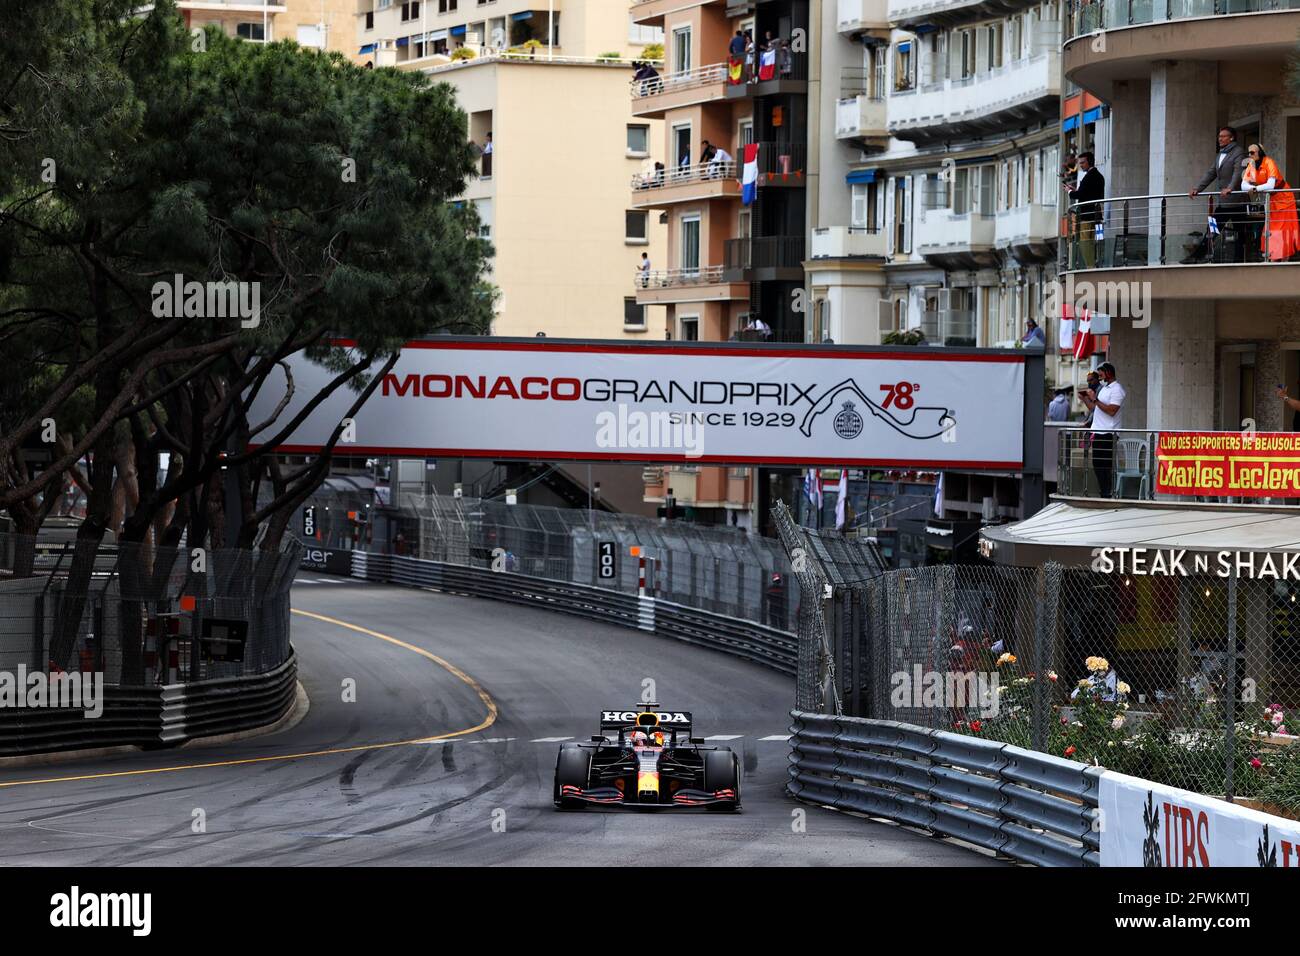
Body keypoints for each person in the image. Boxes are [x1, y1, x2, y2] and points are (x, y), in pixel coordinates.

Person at [1187, 126, 1247, 263]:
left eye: (1223, 136)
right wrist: (1197, 189)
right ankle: (1199, 256)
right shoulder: (1220, 154)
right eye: (1219, 136)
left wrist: (1230, 188)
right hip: (1224, 202)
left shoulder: (1239, 152)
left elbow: (1238, 173)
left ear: (1231, 138)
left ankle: (1239, 262)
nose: (1220, 138)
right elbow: (1211, 173)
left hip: (1237, 201)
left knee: (1239, 232)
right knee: (1212, 227)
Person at [1244, 144, 1300, 262]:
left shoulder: (1269, 162)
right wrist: (1253, 188)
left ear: (1260, 153)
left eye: (1252, 153)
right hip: (1271, 200)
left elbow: (1271, 185)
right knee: (1271, 229)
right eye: (1248, 153)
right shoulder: (1251, 165)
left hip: (1284, 199)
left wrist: (1254, 189)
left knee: (1284, 230)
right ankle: (1274, 258)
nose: (1250, 155)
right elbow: (1243, 185)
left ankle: (1284, 260)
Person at [1080, 361, 1125, 498]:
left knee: (1105, 465)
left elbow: (1112, 410)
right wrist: (1085, 399)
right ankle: (1104, 491)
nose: (1099, 375)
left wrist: (1095, 400)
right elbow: (1096, 408)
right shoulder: (1105, 388)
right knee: (1097, 464)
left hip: (1108, 433)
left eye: (1102, 372)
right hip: (1098, 432)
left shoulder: (1118, 390)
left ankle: (1107, 492)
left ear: (1109, 373)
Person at [1066, 151, 1105, 268]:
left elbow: (1079, 195)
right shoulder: (1099, 176)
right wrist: (1076, 190)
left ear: (1090, 162)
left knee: (1085, 241)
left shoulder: (1088, 177)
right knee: (1099, 239)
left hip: (1087, 217)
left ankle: (1090, 266)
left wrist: (1069, 191)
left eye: (1083, 162)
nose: (1081, 165)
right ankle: (1100, 263)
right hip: (1098, 216)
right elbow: (1087, 193)